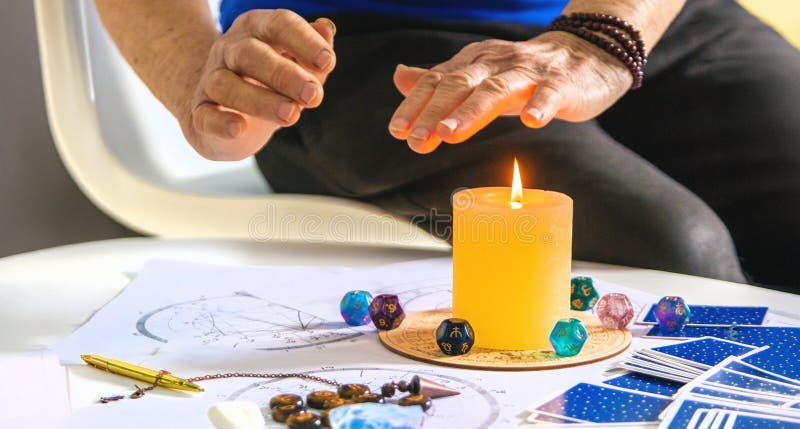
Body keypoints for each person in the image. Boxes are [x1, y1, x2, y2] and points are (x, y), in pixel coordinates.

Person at [95, 0, 800, 292]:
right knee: (671, 254)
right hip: (362, 54)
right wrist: (203, 79)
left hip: (627, 19)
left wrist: (606, 33)